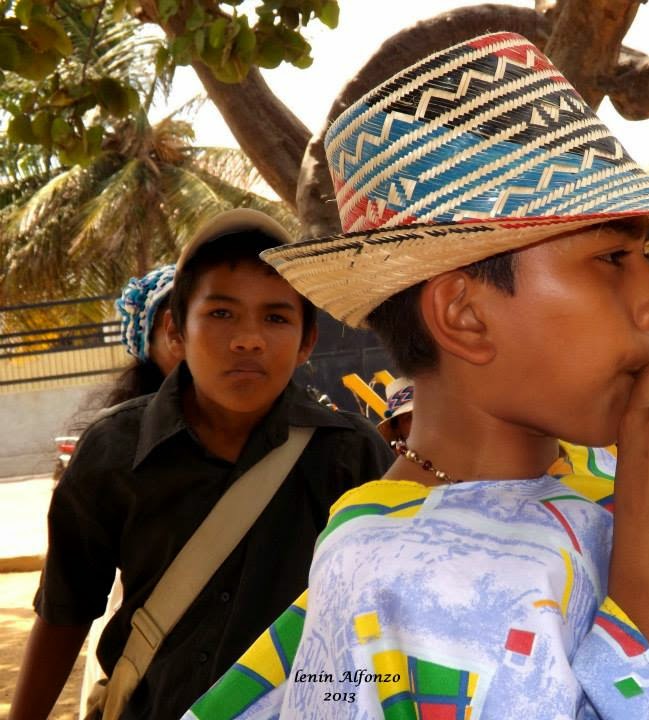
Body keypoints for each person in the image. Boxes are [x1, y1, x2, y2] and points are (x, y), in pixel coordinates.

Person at [187, 34, 649, 719]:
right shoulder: (384, 576)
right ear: (464, 314)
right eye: (613, 260)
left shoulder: (611, 484)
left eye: (648, 261)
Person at [11, 209, 393, 720]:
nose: (248, 339)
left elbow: (389, 616)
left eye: (276, 318)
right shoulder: (111, 452)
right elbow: (65, 611)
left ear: (307, 342)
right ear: (175, 330)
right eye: (221, 314)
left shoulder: (352, 455)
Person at [78, 264, 179, 713]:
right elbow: (67, 607)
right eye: (173, 324)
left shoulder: (329, 444)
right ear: (148, 343)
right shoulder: (116, 448)